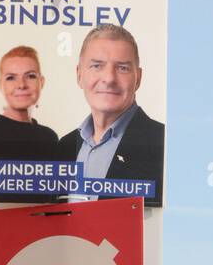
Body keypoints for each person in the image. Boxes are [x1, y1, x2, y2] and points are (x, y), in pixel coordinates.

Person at [57, 24, 165, 203]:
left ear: (138, 78)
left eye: (122, 68)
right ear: (79, 75)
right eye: (97, 65)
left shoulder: (163, 144)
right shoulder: (64, 148)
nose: (109, 78)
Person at [0, 46, 59, 200]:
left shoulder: (49, 137)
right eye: (11, 77)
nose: (21, 85)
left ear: (41, 82)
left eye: (30, 76)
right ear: (0, 85)